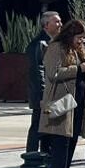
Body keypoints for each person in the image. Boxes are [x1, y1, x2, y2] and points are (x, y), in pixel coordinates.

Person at [38, 19, 85, 168]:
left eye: (84, 38)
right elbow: (53, 73)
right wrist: (78, 69)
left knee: (71, 141)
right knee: (60, 142)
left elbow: (83, 77)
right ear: (70, 35)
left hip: (76, 102)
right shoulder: (55, 47)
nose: (82, 41)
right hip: (60, 102)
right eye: (79, 37)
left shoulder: (78, 50)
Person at [25, 11, 62, 153]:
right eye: (56, 22)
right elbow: (37, 71)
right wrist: (42, 95)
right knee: (38, 126)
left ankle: (46, 154)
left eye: (60, 21)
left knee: (50, 127)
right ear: (46, 25)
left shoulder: (54, 42)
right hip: (44, 94)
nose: (60, 25)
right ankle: (32, 157)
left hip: (54, 93)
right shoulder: (39, 44)